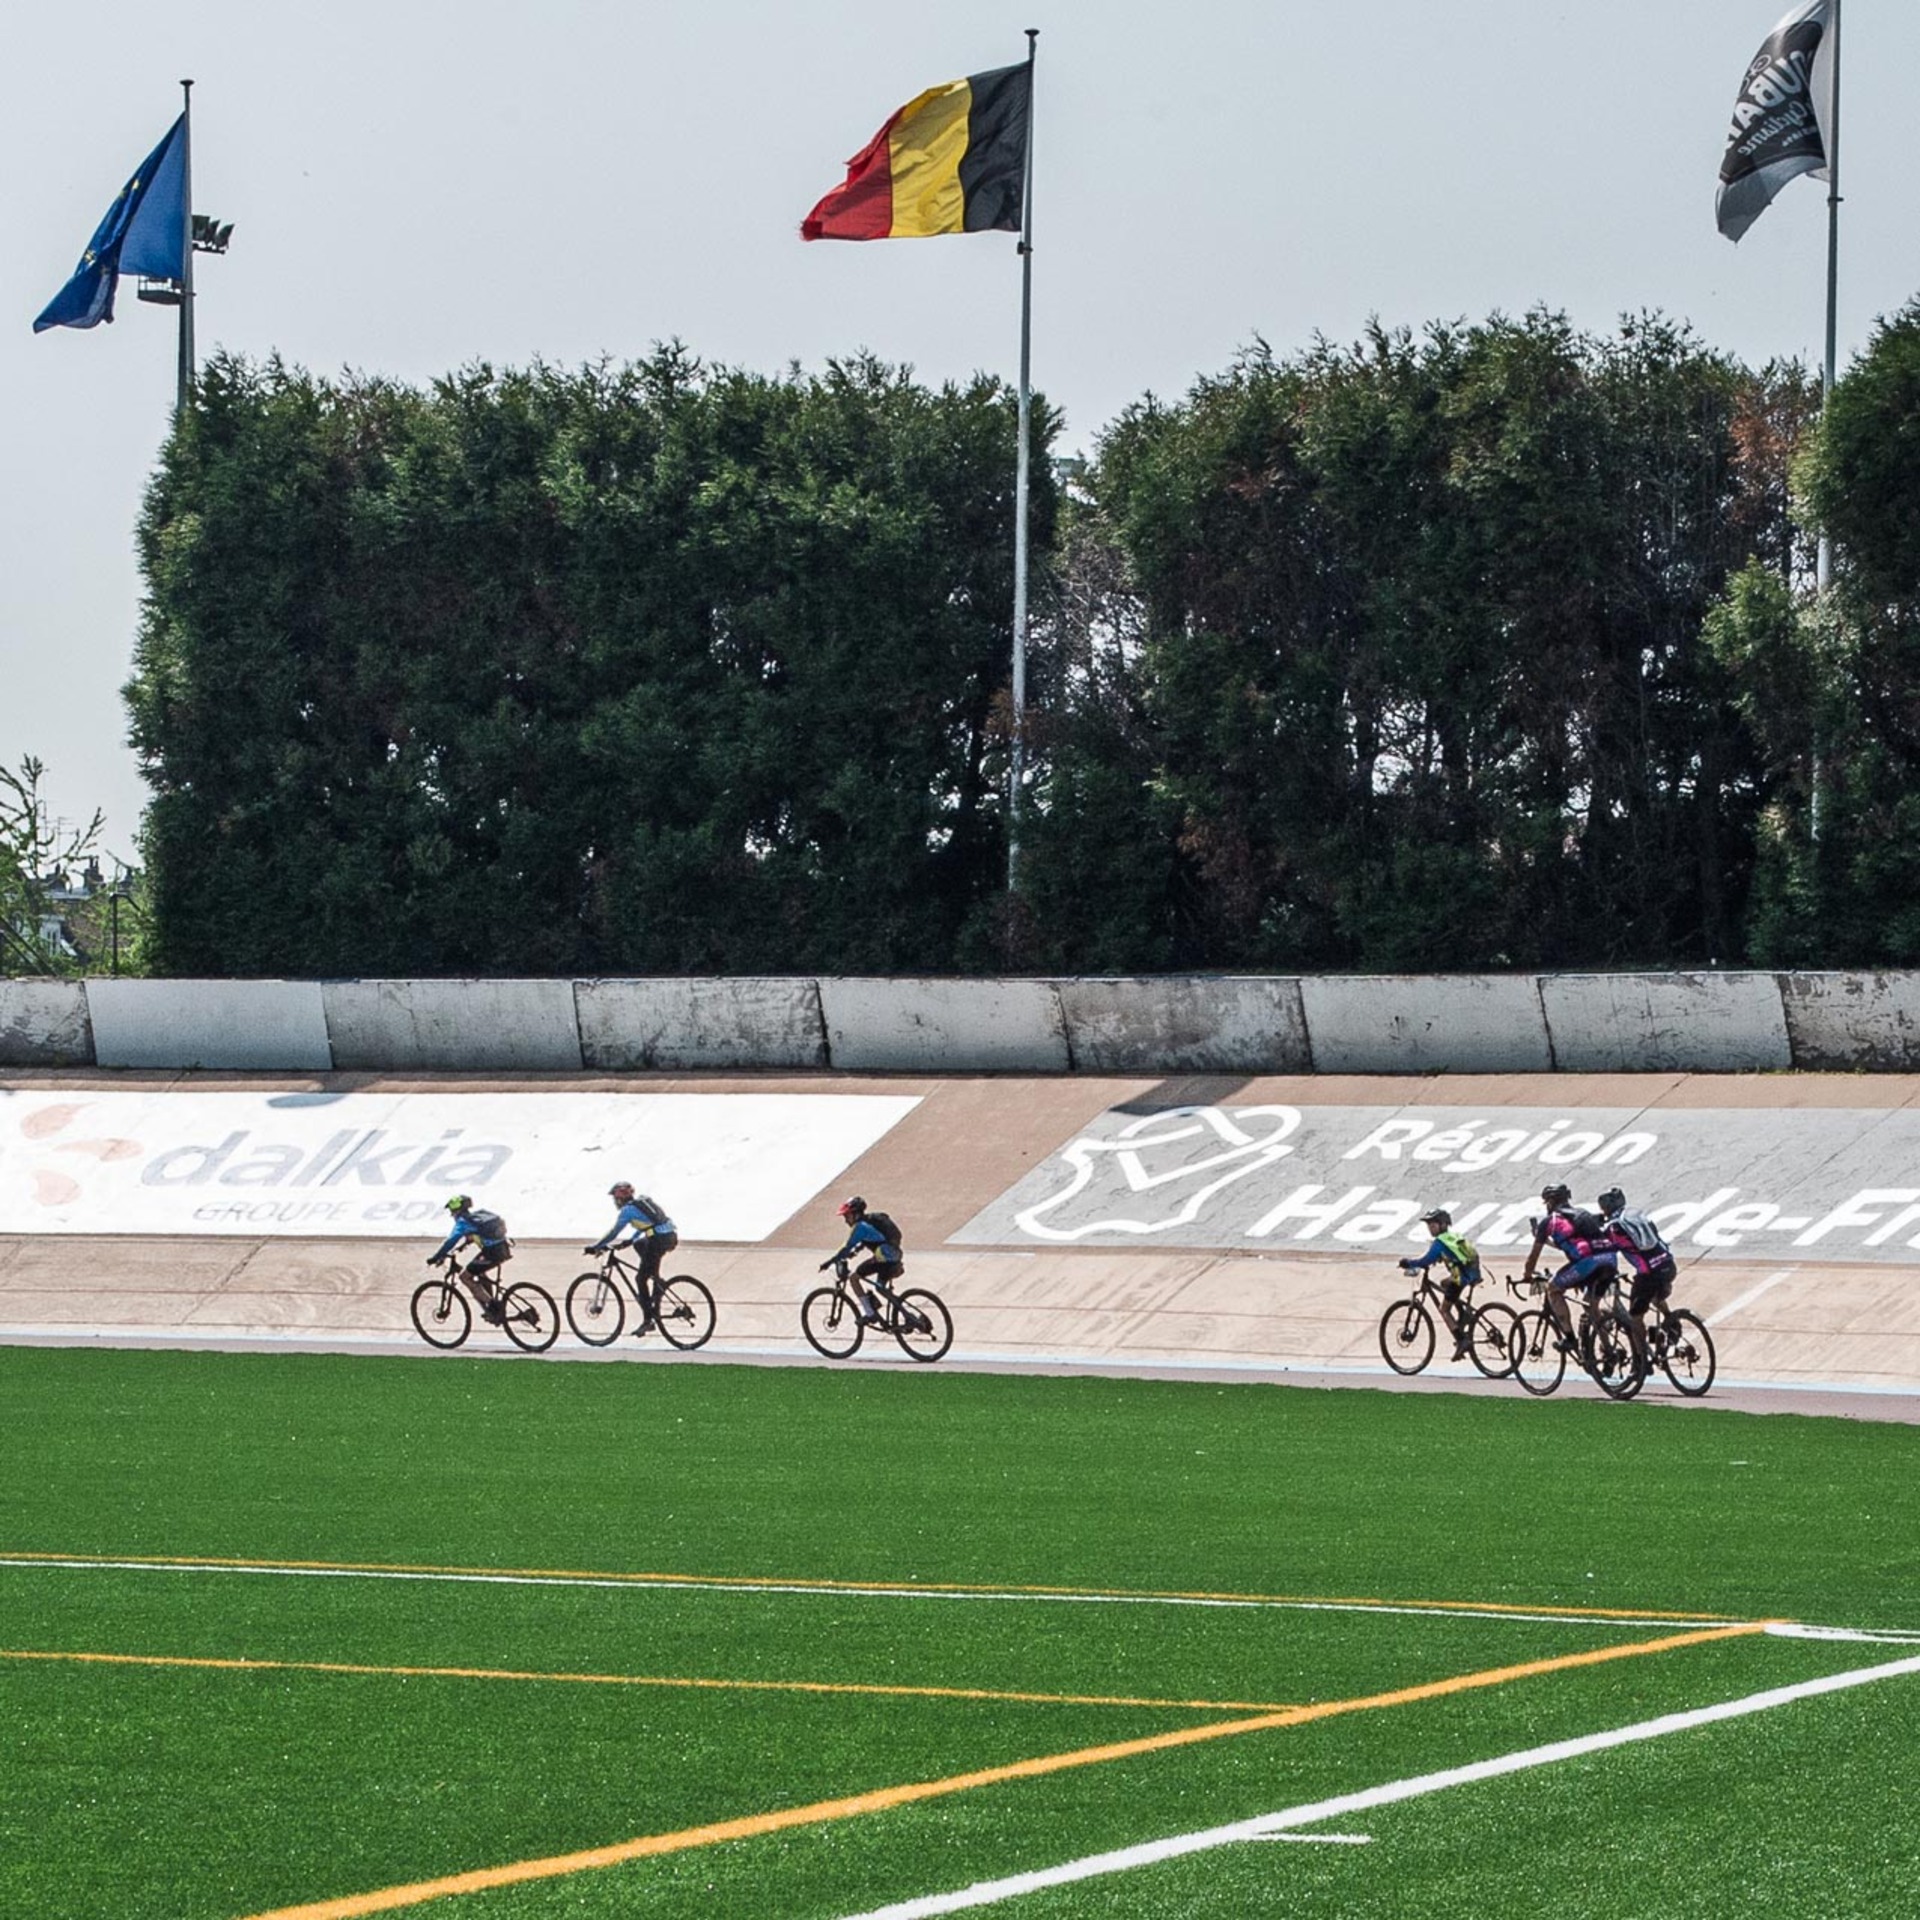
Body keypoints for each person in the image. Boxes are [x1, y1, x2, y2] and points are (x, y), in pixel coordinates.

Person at [1520, 1181, 1617, 1348]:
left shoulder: (1550, 1221)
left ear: (1550, 1202)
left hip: (1588, 1263)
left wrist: (1527, 1275)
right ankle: (1608, 1350)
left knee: (1553, 1288)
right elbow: (1574, 1244)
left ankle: (1570, 1338)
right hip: (1609, 1259)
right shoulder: (1582, 1213)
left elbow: (1533, 1257)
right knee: (1591, 1306)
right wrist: (1549, 1242)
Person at [584, 1181, 679, 1334]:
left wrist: (596, 1246)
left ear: (620, 1199)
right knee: (639, 1245)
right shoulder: (643, 1201)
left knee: (640, 1279)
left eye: (615, 1199)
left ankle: (648, 1321)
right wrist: (631, 1240)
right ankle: (656, 1281)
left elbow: (614, 1233)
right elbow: (649, 1226)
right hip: (669, 1236)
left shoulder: (627, 1211)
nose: (615, 1202)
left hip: (658, 1240)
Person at [1399, 1206, 1482, 1361]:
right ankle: (1463, 1313)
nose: (1430, 1228)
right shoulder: (1452, 1236)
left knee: (1444, 1310)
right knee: (1444, 1283)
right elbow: (1452, 1254)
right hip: (1472, 1273)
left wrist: (1408, 1263)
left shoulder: (1439, 1242)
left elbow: (1426, 1260)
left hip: (1460, 1277)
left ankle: (1462, 1340)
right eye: (1429, 1225)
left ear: (1443, 1224)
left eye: (1433, 1224)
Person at [1598, 1186, 1678, 1335]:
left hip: (1649, 1273)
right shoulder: (1635, 1215)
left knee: (1635, 1317)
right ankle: (1670, 1318)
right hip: (1668, 1264)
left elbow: (1605, 1248)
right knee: (1654, 1295)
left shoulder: (1614, 1228)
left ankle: (1641, 1357)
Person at [426, 1194, 512, 1322]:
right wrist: (463, 1246)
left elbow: (450, 1241)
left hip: (491, 1253)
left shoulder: (463, 1222)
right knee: (480, 1272)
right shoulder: (479, 1216)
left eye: (451, 1211)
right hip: (504, 1247)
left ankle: (494, 1306)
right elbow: (474, 1236)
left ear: (456, 1211)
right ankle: (492, 1309)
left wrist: (436, 1257)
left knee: (464, 1277)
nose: (451, 1215)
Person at [820, 1196, 903, 1324]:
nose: (846, 1221)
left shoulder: (860, 1227)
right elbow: (870, 1240)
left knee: (854, 1278)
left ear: (856, 1214)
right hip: (892, 1256)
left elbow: (846, 1247)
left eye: (847, 1216)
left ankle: (871, 1314)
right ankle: (907, 1315)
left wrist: (830, 1261)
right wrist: (856, 1251)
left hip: (886, 1258)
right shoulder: (869, 1222)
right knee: (880, 1288)